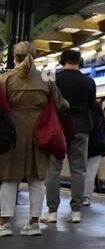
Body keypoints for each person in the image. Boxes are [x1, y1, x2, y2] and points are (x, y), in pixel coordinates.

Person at [0, 41, 70, 236]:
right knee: (36, 178)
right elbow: (61, 104)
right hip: (41, 131)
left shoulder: (5, 78)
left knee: (9, 178)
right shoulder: (47, 77)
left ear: (15, 57)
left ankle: (4, 224)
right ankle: (33, 223)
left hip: (12, 132)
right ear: (35, 56)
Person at [43, 49, 96, 223]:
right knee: (79, 170)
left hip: (57, 129)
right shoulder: (89, 81)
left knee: (53, 170)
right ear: (80, 61)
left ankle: (52, 211)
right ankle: (76, 212)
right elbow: (91, 107)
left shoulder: (53, 79)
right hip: (80, 129)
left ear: (61, 60)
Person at [82, 98, 105, 207]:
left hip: (81, 143)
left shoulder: (79, 106)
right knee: (91, 172)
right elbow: (104, 127)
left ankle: (78, 195)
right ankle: (86, 197)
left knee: (79, 171)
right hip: (97, 146)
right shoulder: (96, 107)